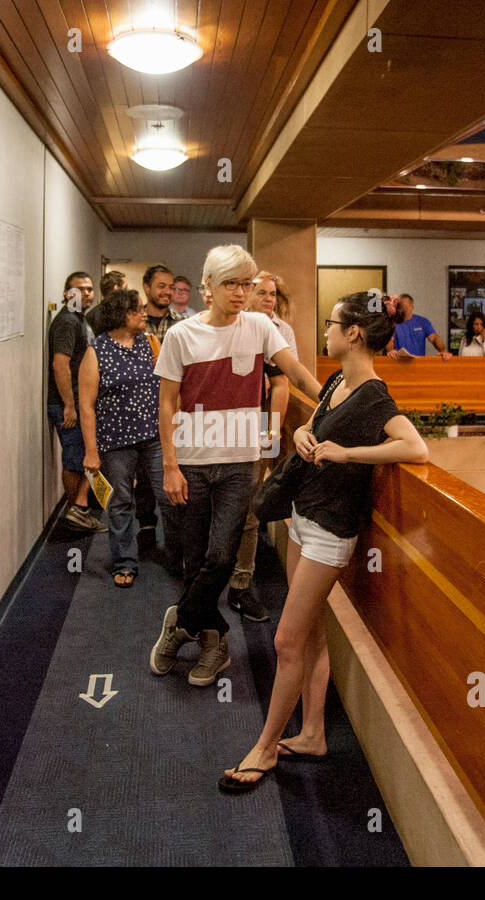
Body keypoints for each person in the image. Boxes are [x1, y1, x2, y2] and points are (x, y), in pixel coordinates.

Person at [218, 291, 429, 793]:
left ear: (354, 333)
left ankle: (266, 747)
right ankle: (312, 733)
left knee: (287, 639)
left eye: (332, 323)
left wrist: (348, 453)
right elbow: (310, 428)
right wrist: (302, 439)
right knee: (309, 633)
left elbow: (415, 447)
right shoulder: (336, 379)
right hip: (305, 513)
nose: (326, 330)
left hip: (332, 529)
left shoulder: (375, 395)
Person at [148, 245, 324, 688]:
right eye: (231, 284)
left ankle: (180, 622)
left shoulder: (261, 326)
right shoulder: (181, 336)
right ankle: (214, 641)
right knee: (194, 560)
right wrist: (169, 465)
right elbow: (166, 402)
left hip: (239, 463)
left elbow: (296, 372)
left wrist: (337, 400)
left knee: (223, 556)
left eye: (246, 284)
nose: (242, 293)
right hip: (191, 461)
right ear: (207, 287)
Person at [78, 289, 170, 587]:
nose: (144, 314)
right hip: (115, 441)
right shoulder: (97, 351)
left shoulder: (151, 343)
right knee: (120, 501)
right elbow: (86, 406)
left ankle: (177, 552)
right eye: (137, 310)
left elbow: (167, 388)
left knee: (167, 493)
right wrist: (91, 451)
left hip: (153, 435)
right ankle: (125, 561)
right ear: (120, 315)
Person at [229, 271, 298, 623]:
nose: (269, 299)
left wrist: (270, 435)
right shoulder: (224, 327)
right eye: (262, 292)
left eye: (273, 293)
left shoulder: (275, 334)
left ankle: (240, 585)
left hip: (254, 425)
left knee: (249, 512)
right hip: (214, 427)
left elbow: (283, 384)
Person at [47, 271, 105, 532]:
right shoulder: (68, 322)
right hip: (67, 404)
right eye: (79, 289)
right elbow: (60, 365)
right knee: (74, 460)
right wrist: (69, 404)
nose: (86, 294)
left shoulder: (81, 319)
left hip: (80, 402)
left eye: (90, 289)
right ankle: (75, 516)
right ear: (66, 293)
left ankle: (80, 511)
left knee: (84, 457)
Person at [386, 294, 451, 360]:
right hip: (398, 362)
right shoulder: (394, 322)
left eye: (405, 306)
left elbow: (434, 338)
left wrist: (443, 350)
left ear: (411, 306)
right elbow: (390, 340)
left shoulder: (423, 321)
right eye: (401, 307)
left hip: (419, 363)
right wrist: (390, 351)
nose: (403, 309)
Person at [85, 270, 127, 336]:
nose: (127, 293)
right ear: (116, 288)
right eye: (125, 288)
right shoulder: (122, 315)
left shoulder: (90, 315)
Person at [142, 264, 178, 338]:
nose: (168, 292)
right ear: (147, 288)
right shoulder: (134, 322)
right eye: (161, 286)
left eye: (171, 287)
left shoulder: (182, 322)